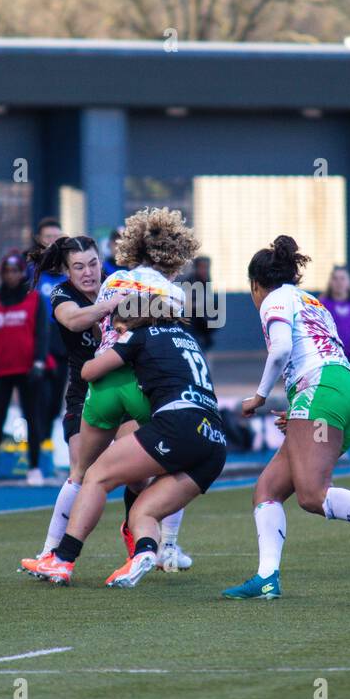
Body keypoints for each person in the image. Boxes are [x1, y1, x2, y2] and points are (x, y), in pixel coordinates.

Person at [222, 237, 350, 600]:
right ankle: (267, 577)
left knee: (311, 495)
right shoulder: (313, 302)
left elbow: (283, 349)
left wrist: (258, 395)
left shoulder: (273, 299)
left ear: (255, 284)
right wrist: (302, 411)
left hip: (323, 394)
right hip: (342, 393)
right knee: (267, 490)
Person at [20, 292, 226, 588]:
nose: (117, 332)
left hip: (179, 423)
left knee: (96, 476)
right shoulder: (185, 335)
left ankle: (62, 559)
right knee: (144, 510)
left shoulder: (139, 334)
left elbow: (89, 372)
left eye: (118, 327)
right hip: (215, 441)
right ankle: (143, 553)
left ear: (132, 320)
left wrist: (114, 345)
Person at [76, 207, 198, 571]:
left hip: (102, 380)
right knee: (171, 462)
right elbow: (169, 341)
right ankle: (165, 546)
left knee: (83, 473)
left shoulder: (112, 282)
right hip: (147, 386)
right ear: (175, 254)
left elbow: (103, 328)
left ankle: (56, 552)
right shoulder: (173, 292)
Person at [23, 235, 117, 552]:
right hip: (83, 391)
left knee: (142, 476)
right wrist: (111, 307)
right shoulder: (63, 294)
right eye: (79, 267)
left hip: (124, 389)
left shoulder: (118, 283)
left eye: (93, 263)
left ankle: (158, 546)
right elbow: (74, 321)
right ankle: (50, 551)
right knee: (81, 470)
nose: (88, 272)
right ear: (67, 271)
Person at [0, 252, 49, 486]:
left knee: (31, 418)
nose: (12, 275)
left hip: (27, 369)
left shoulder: (34, 299)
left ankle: (34, 468)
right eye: (8, 271)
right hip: (0, 370)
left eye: (16, 271)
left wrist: (39, 361)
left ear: (23, 273)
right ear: (2, 274)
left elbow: (41, 333)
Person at [25, 218, 72, 451]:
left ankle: (45, 445)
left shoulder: (70, 271)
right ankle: (37, 450)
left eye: (57, 237)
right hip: (38, 340)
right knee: (39, 399)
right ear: (39, 240)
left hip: (62, 340)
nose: (52, 242)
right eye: (48, 237)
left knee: (55, 401)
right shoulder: (31, 271)